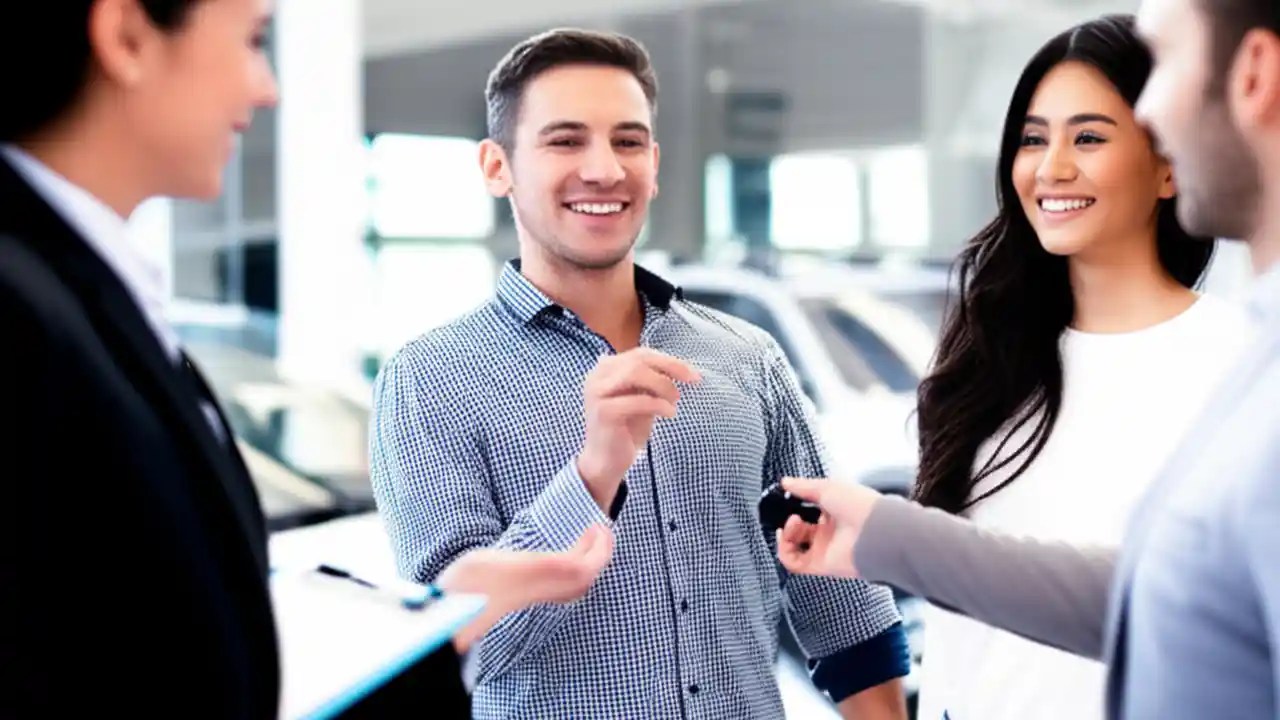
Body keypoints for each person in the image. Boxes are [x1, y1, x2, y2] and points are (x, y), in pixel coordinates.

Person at [0, 2, 612, 717]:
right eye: (251, 41)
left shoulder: (85, 292)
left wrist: (447, 619)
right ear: (127, 37)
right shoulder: (23, 310)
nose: (267, 88)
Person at [370, 27, 910, 720]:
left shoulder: (748, 360)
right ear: (496, 166)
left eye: (627, 141)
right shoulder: (427, 381)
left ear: (653, 164)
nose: (604, 169)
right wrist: (594, 474)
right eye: (565, 141)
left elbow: (841, 601)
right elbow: (457, 648)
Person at [777, 2, 1280, 717]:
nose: (1053, 167)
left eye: (1091, 137)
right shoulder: (985, 358)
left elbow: (1141, 601)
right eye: (1033, 139)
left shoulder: (1238, 365)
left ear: (1165, 165)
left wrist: (896, 536)